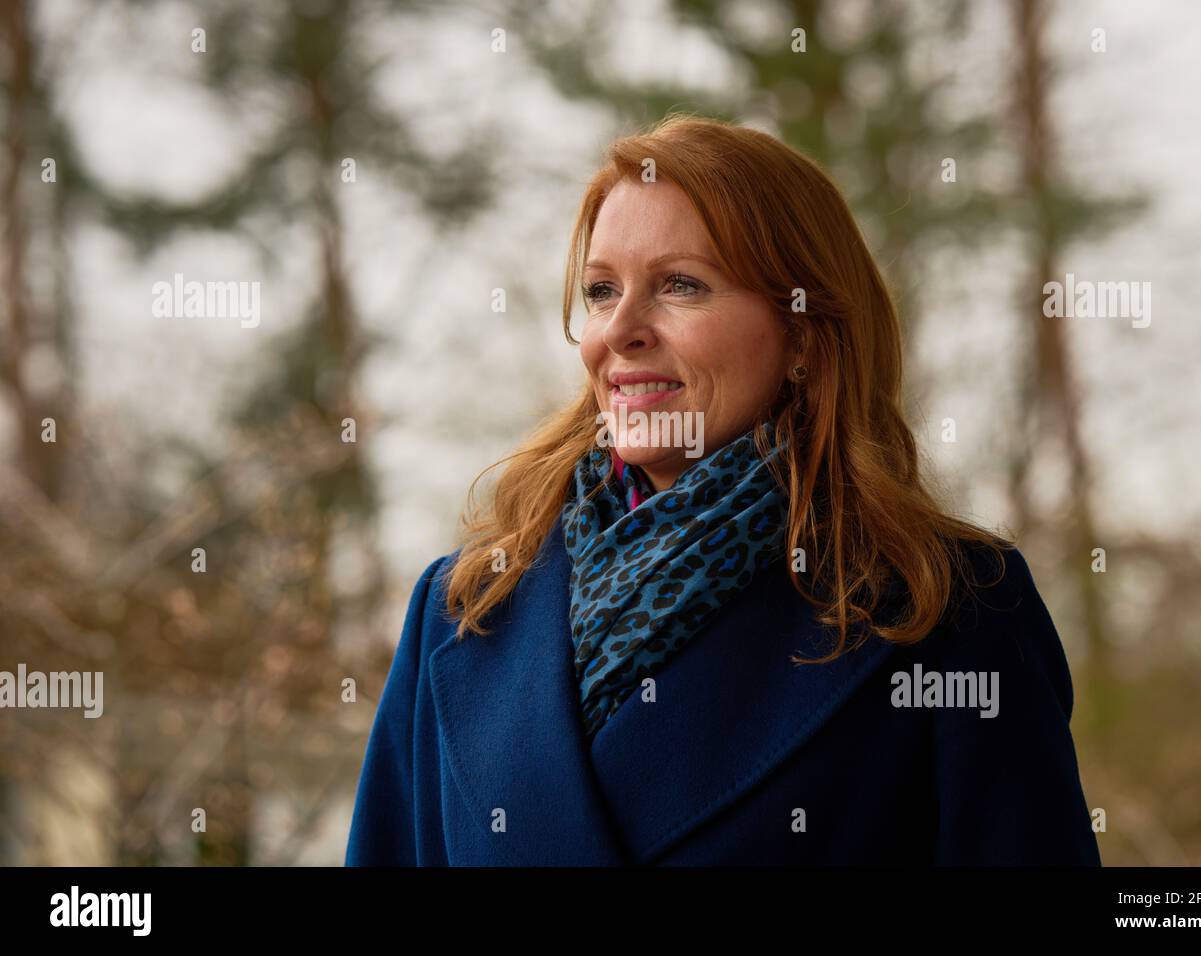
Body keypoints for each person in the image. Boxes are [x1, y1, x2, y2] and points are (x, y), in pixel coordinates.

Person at [344, 114, 1101, 866]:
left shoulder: (948, 607)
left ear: (803, 333)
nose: (620, 331)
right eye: (602, 291)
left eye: (680, 285)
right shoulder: (463, 613)